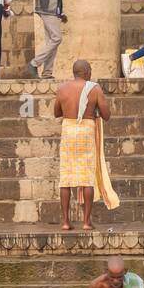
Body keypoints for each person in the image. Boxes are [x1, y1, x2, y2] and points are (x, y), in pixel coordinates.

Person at [55, 60, 116, 230]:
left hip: (68, 130)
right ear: (87, 72)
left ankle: (66, 222)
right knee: (86, 177)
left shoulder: (62, 89)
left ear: (74, 73)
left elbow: (56, 112)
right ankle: (86, 222)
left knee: (65, 178)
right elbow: (106, 115)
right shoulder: (94, 89)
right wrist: (96, 106)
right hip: (86, 131)